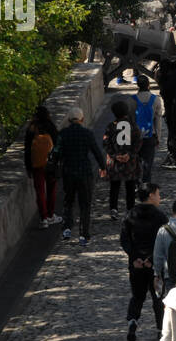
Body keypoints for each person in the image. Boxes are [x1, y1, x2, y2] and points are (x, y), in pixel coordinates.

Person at [120, 182, 168, 341]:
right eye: (158, 194)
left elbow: (124, 240)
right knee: (158, 297)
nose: (159, 197)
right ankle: (161, 329)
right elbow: (164, 241)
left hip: (136, 265)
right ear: (150, 195)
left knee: (137, 296)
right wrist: (152, 260)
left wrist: (135, 258)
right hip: (154, 264)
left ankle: (132, 322)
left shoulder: (130, 215)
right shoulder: (160, 217)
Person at [56, 106, 107, 247]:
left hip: (68, 172)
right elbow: (97, 152)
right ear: (82, 119)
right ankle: (83, 235)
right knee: (85, 204)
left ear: (68, 119)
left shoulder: (62, 134)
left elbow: (55, 153)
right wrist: (103, 167)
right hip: (84, 172)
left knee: (69, 201)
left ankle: (66, 228)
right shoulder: (87, 134)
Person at [103, 98, 143, 221]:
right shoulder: (133, 126)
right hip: (129, 162)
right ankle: (130, 209)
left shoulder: (110, 127)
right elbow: (138, 142)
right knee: (130, 186)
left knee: (114, 186)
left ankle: (113, 209)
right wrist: (129, 155)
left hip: (115, 163)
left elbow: (106, 143)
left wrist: (115, 155)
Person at [24, 105, 61, 229]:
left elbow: (27, 150)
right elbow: (58, 145)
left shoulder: (31, 129)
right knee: (51, 189)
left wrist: (28, 167)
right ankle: (51, 215)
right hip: (50, 164)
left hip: (37, 165)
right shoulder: (50, 127)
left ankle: (43, 218)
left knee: (40, 191)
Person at [132, 75, 163, 183]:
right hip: (150, 135)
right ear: (149, 85)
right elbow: (158, 121)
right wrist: (158, 137)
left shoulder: (132, 100)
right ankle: (146, 187)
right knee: (148, 164)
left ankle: (136, 186)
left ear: (138, 85)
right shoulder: (156, 100)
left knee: (135, 163)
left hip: (135, 136)